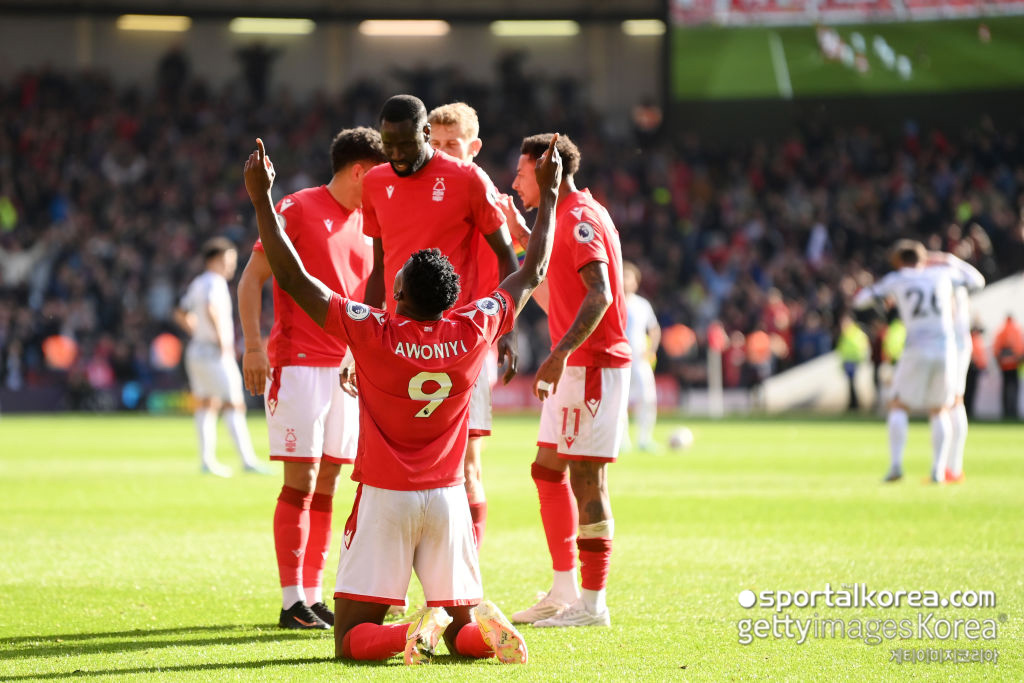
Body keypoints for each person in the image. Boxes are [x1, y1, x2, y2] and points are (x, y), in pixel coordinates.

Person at [243, 134, 561, 665]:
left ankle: (407, 634)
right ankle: (483, 633)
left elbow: (296, 280)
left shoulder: (374, 331)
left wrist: (259, 200)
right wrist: (549, 195)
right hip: (447, 499)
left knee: (349, 640)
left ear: (398, 295)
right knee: (462, 629)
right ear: (451, 298)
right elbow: (532, 270)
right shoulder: (475, 325)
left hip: (386, 497)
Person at [236, 127, 386, 630]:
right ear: (360, 170)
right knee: (298, 483)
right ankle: (289, 600)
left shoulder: (370, 224)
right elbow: (251, 279)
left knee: (327, 483)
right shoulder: (298, 208)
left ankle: (313, 595)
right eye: (380, 174)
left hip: (345, 371)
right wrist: (255, 347)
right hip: (298, 364)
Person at [506, 133, 630, 628]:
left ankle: (592, 606)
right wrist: (519, 232)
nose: (514, 182)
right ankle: (563, 591)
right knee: (547, 470)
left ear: (545, 169)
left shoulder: (579, 217)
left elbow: (598, 294)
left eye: (520, 172)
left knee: (587, 478)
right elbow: (556, 292)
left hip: (591, 366)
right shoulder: (564, 216)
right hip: (575, 367)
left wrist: (559, 354)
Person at [427, 101, 520, 550]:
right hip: (412, 343)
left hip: (468, 346)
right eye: (435, 143)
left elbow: (515, 264)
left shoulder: (492, 201)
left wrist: (508, 331)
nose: (443, 153)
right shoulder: (414, 192)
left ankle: (466, 578)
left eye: (453, 145)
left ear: (475, 147)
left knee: (466, 468)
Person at [852, 241, 984, 483]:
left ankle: (895, 466)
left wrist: (881, 295)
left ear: (900, 261)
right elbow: (977, 280)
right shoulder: (942, 274)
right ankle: (938, 470)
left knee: (898, 405)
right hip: (945, 350)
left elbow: (860, 300)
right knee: (940, 409)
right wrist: (948, 259)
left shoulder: (898, 278)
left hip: (916, 348)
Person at [174, 237, 266, 477]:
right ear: (215, 260)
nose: (232, 266)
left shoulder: (197, 282)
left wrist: (198, 332)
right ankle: (247, 460)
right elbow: (210, 308)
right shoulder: (214, 283)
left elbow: (180, 312)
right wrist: (221, 340)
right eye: (229, 260)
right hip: (215, 352)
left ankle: (207, 460)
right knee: (234, 403)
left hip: (197, 350)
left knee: (207, 403)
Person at [622, 261, 661, 451]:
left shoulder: (642, 304)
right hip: (618, 359)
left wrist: (651, 350)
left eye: (627, 276)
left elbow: (654, 329)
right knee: (619, 400)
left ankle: (645, 438)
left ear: (635, 282)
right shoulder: (611, 300)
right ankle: (622, 441)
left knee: (647, 398)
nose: (623, 280)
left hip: (640, 359)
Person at [992, 314, 1023, 419]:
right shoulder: (1017, 330)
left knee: (1005, 389)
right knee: (1014, 389)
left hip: (1004, 366)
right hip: (1014, 365)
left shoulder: (1001, 330)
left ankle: (1006, 412)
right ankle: (1013, 411)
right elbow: (1020, 348)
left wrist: (999, 361)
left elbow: (996, 349)